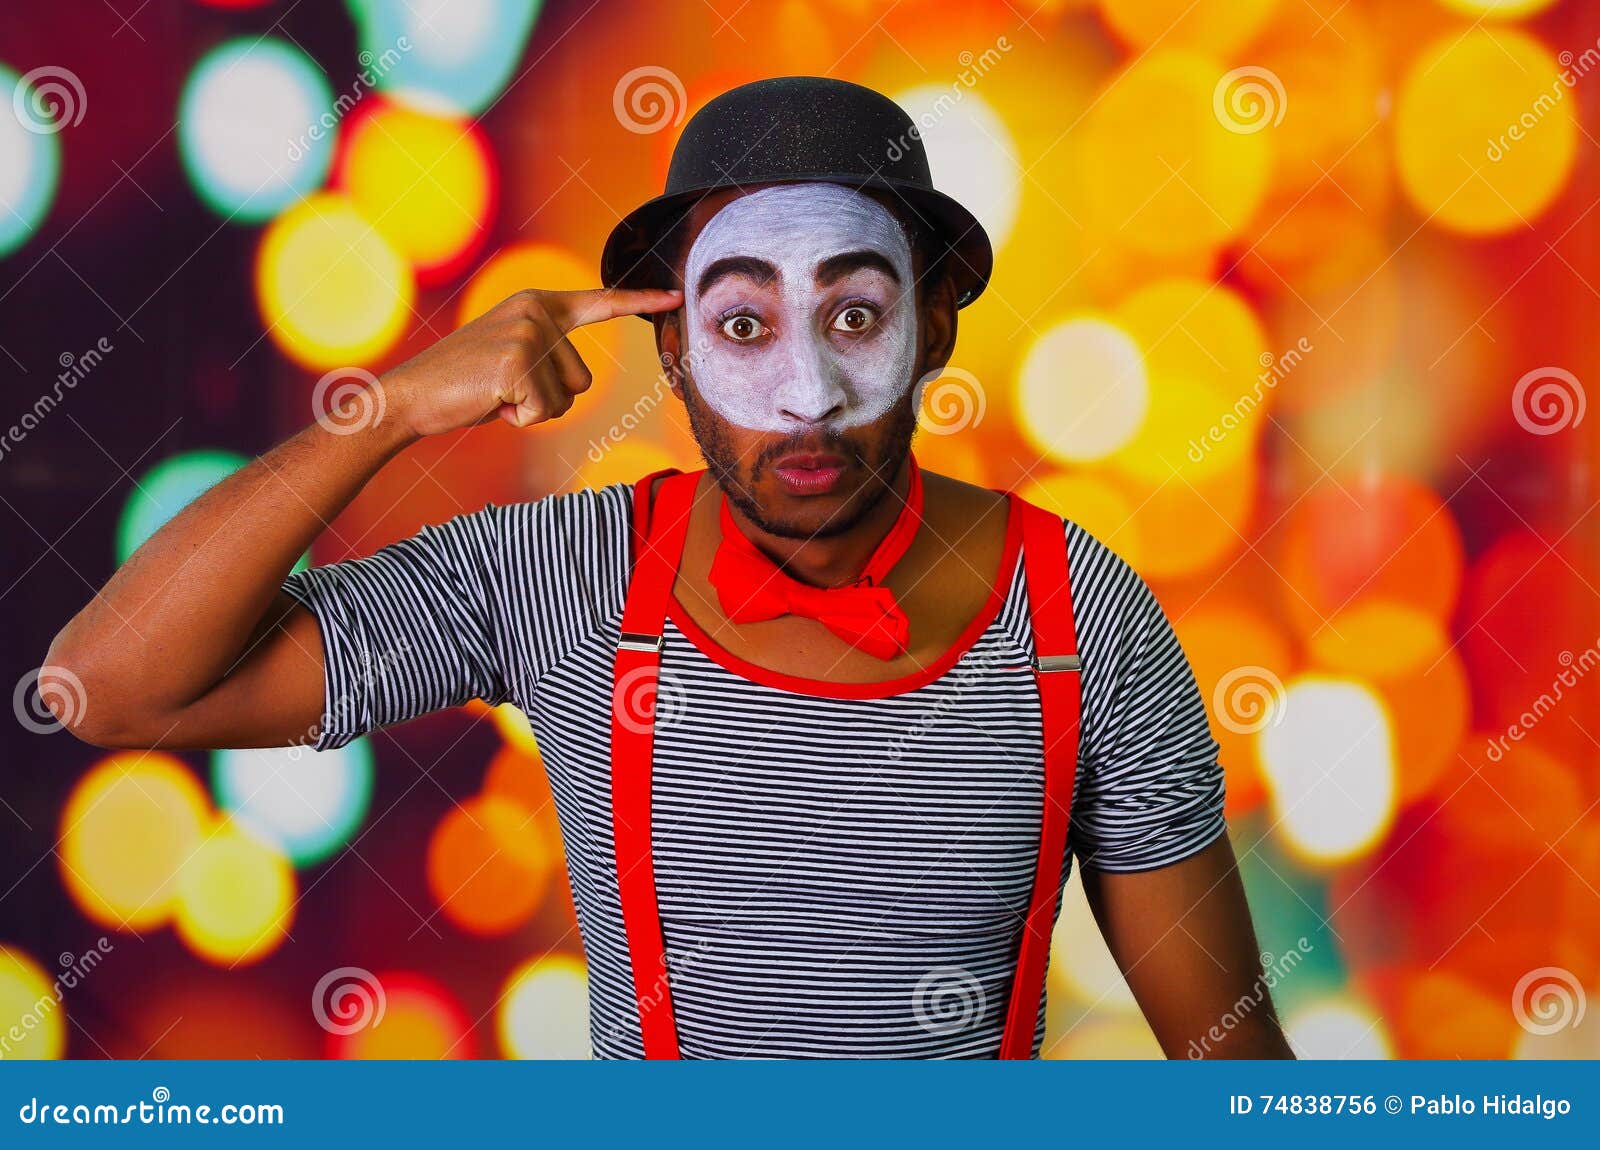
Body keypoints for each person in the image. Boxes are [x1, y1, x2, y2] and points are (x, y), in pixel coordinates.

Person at [43, 76, 1292, 1059]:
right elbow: (107, 684)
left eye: (854, 312)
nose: (805, 397)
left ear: (933, 325)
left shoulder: (1084, 615)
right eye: (741, 323)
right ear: (676, 352)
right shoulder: (566, 575)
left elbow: (1233, 1068)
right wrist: (392, 411)